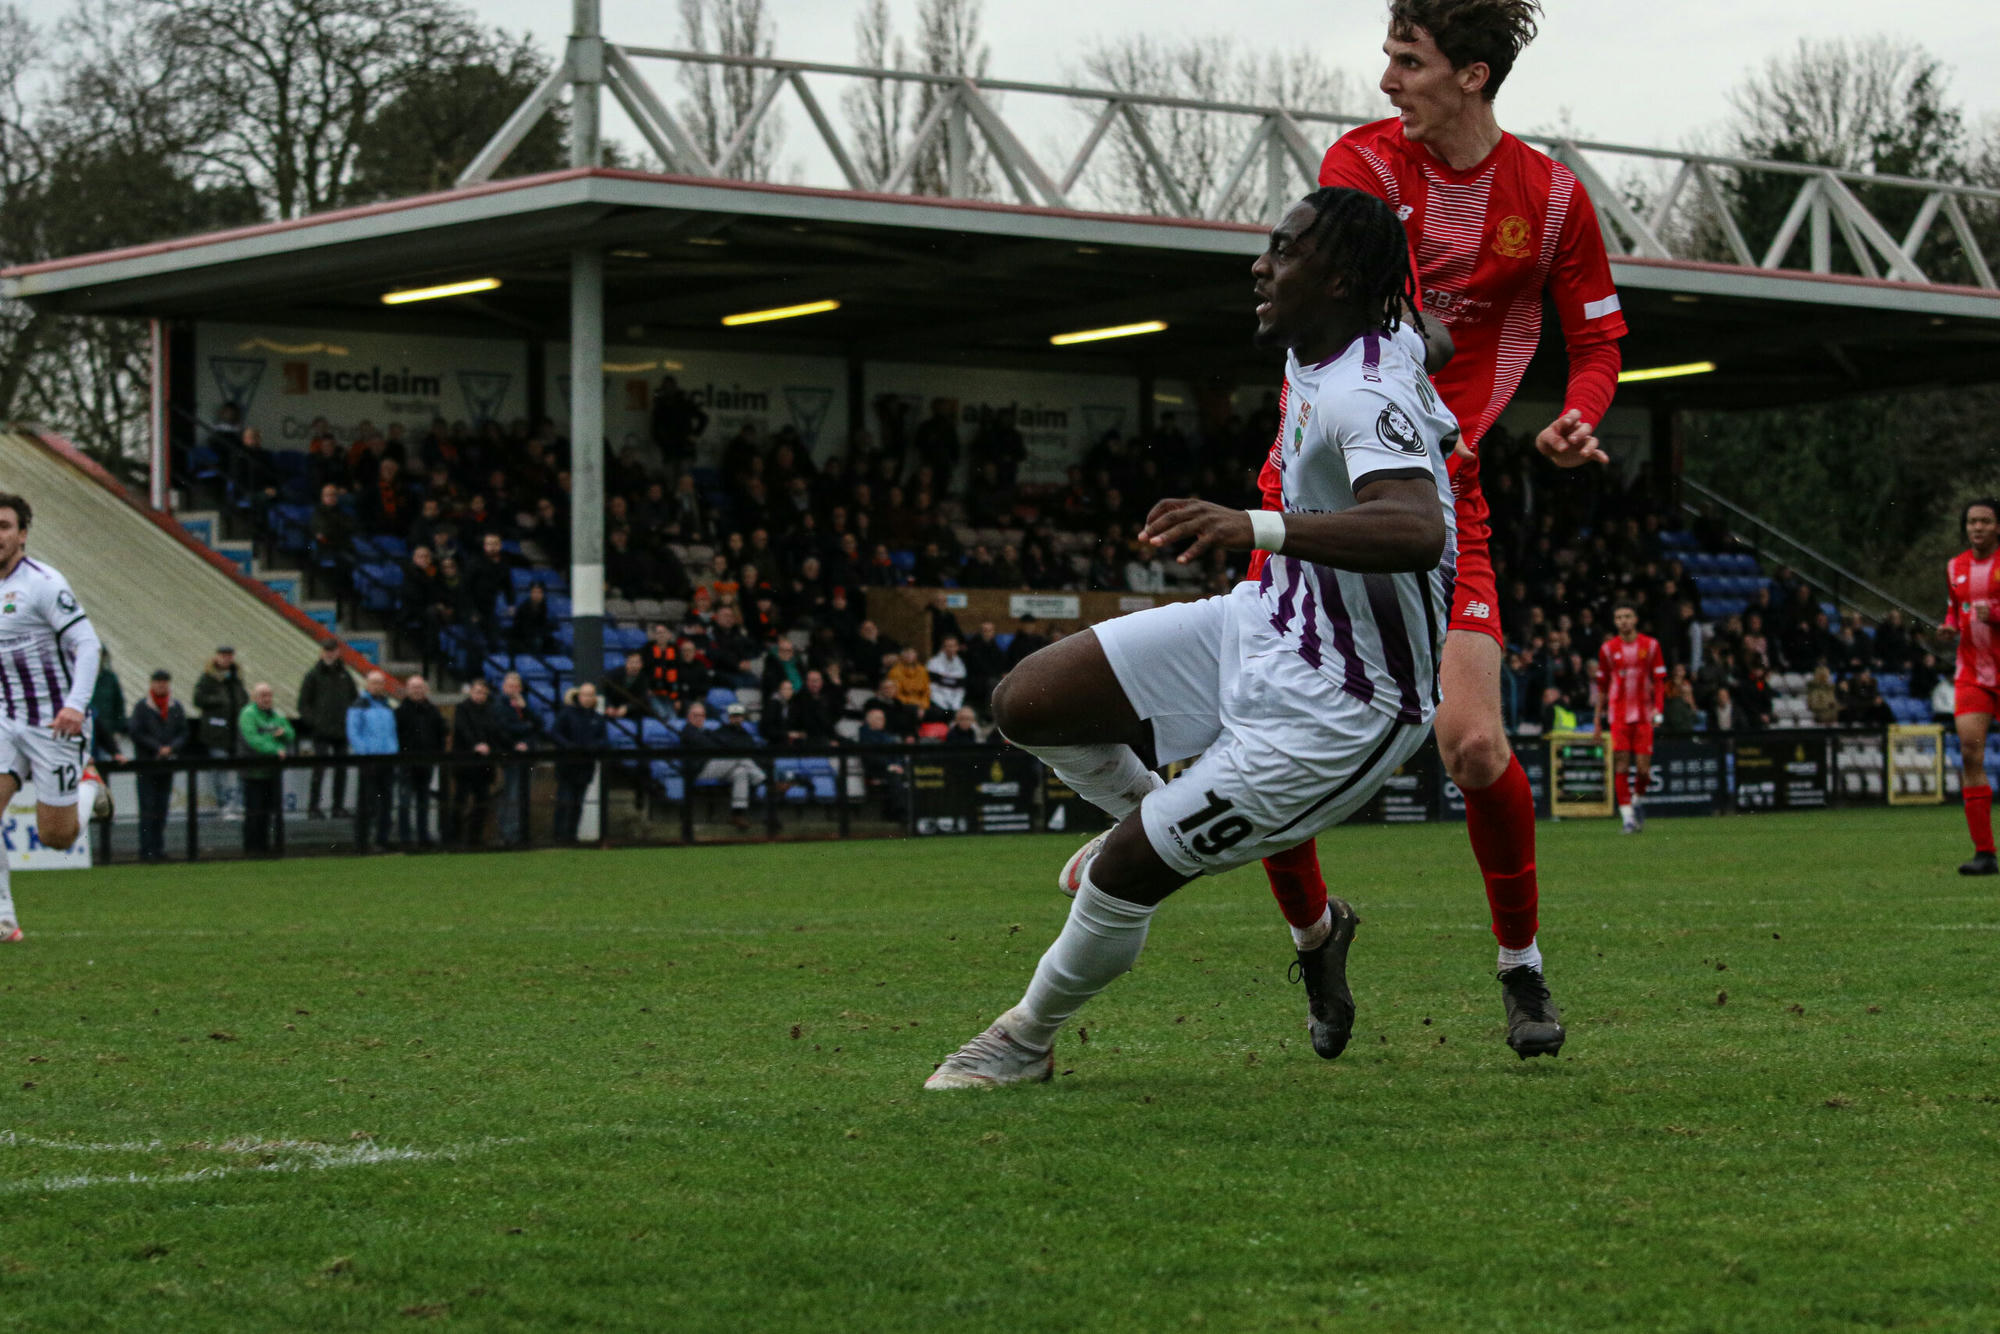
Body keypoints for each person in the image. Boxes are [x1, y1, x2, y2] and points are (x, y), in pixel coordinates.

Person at [926, 188, 1455, 1087]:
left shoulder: (1363, 390)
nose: (1259, 265)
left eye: (1281, 252)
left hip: (1346, 704)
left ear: (1333, 280)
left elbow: (1415, 529)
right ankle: (1147, 820)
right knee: (1028, 702)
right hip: (1269, 623)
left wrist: (1256, 526)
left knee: (1123, 878)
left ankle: (1023, 1041)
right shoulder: (1339, 343)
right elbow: (1430, 334)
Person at [1235, 0, 1626, 1058]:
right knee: (1267, 753)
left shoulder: (1547, 199)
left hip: (1441, 495)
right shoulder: (1358, 165)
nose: (1384, 80)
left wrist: (1579, 410)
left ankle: (1520, 967)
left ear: (1473, 76)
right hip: (1315, 492)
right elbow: (1380, 320)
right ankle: (1315, 936)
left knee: (1474, 741)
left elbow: (1596, 334)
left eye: (1406, 60)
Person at [0, 494, 106, 940]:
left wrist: (75, 706)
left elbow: (88, 645)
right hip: (6, 720)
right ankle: (4, 920)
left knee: (57, 837)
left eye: (4, 526)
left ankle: (90, 788)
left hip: (53, 725)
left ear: (22, 535)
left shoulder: (44, 584)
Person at [1942, 498, 2000, 876]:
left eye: (1984, 521)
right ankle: (1985, 853)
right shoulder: (1955, 566)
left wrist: (1995, 614)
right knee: (1970, 753)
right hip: (1972, 674)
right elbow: (1954, 608)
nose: (1977, 527)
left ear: (1998, 527)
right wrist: (1949, 626)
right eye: (1971, 522)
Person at [1595, 601, 1667, 835]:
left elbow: (1659, 681)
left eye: (1627, 616)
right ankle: (1627, 818)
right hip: (1618, 716)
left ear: (1635, 619)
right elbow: (1602, 688)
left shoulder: (1651, 645)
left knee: (1644, 770)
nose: (1623, 621)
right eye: (1619, 617)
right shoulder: (1607, 649)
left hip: (1644, 715)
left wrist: (1659, 709)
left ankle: (1636, 801)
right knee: (1622, 765)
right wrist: (1598, 721)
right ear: (1615, 622)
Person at [128, 669, 187, 862]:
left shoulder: (175, 706)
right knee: (148, 808)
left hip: (166, 765)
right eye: (158, 682)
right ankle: (146, 850)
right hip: (147, 765)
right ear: (151, 684)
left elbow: (184, 732)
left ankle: (159, 849)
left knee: (162, 809)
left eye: (165, 682)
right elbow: (136, 733)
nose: (162, 685)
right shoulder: (142, 707)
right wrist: (157, 747)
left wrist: (172, 748)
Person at [679, 701, 765, 831]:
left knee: (740, 771)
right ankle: (765, 781)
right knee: (739, 757)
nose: (699, 718)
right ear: (689, 717)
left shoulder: (705, 731)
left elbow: (716, 745)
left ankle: (737, 813)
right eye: (695, 715)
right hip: (698, 770)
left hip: (713, 766)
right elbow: (711, 747)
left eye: (702, 715)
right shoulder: (688, 731)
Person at [298, 639, 357, 819]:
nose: (329, 654)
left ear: (338, 652)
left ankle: (337, 807)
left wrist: (348, 722)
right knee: (319, 770)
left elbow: (354, 700)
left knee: (341, 771)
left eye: (332, 650)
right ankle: (313, 807)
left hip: (341, 732)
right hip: (321, 733)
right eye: (326, 650)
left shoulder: (345, 676)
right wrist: (316, 723)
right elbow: (303, 705)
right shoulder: (313, 675)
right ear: (321, 652)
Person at [237, 681, 294, 855]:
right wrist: (275, 749)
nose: (267, 699)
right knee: (254, 813)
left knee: (270, 813)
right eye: (263, 695)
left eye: (269, 695)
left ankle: (268, 848)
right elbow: (254, 740)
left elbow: (290, 733)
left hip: (272, 772)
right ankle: (252, 849)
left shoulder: (276, 714)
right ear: (254, 697)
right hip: (253, 772)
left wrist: (284, 734)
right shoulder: (248, 714)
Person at [346, 671, 399, 852]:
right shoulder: (359, 705)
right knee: (367, 802)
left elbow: (391, 733)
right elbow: (354, 733)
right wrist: (365, 754)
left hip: (387, 758)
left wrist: (394, 751)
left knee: (386, 802)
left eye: (380, 683)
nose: (377, 686)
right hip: (370, 760)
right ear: (367, 684)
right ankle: (363, 842)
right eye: (374, 683)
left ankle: (382, 839)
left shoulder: (386, 706)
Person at [549, 682, 608, 843]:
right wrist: (569, 747)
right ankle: (559, 836)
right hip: (567, 767)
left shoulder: (598, 718)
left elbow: (604, 740)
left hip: (586, 767)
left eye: (591, 695)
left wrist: (593, 747)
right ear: (579, 696)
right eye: (585, 695)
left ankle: (571, 836)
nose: (588, 698)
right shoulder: (567, 714)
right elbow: (554, 733)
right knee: (565, 802)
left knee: (577, 804)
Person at [193, 646, 248, 816]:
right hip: (216, 733)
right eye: (223, 656)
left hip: (236, 732)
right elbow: (198, 699)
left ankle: (237, 805)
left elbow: (243, 699)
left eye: (229, 656)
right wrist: (220, 700)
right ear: (217, 657)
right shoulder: (208, 678)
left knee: (241, 770)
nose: (226, 659)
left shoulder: (236, 679)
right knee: (220, 770)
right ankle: (223, 805)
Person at [396, 674, 446, 849]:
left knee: (423, 803)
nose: (417, 691)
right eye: (413, 687)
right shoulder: (400, 711)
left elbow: (441, 734)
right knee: (405, 802)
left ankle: (423, 838)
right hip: (406, 764)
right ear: (407, 690)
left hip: (426, 764)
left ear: (425, 690)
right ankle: (405, 839)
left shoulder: (433, 711)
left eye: (419, 687)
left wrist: (436, 755)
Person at [450, 677, 501, 846]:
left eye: (483, 693)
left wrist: (489, 746)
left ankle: (475, 838)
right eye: (477, 692)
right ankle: (454, 838)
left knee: (482, 801)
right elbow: (462, 729)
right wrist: (476, 745)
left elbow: (494, 732)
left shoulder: (490, 710)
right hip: (465, 764)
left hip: (484, 766)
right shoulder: (462, 709)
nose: (480, 695)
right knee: (460, 801)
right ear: (471, 691)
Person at [493, 671, 539, 846]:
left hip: (527, 756)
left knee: (521, 796)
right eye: (509, 685)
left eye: (515, 686)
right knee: (512, 795)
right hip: (511, 756)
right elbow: (505, 729)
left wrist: (525, 710)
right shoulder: (499, 705)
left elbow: (540, 724)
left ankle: (519, 833)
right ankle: (508, 834)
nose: (512, 689)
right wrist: (526, 727)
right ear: (503, 687)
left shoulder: (526, 704)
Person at [90, 646, 126, 764]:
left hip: (106, 731)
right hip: (89, 731)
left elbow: (119, 705)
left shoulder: (110, 678)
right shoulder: (80, 677)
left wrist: (118, 729)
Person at [927, 635, 968, 717]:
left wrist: (956, 705)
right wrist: (944, 705)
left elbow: (960, 689)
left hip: (954, 703)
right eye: (948, 646)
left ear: (957, 648)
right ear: (943, 648)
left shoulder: (961, 665)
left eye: (953, 646)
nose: (951, 649)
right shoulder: (933, 663)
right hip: (937, 701)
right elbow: (931, 688)